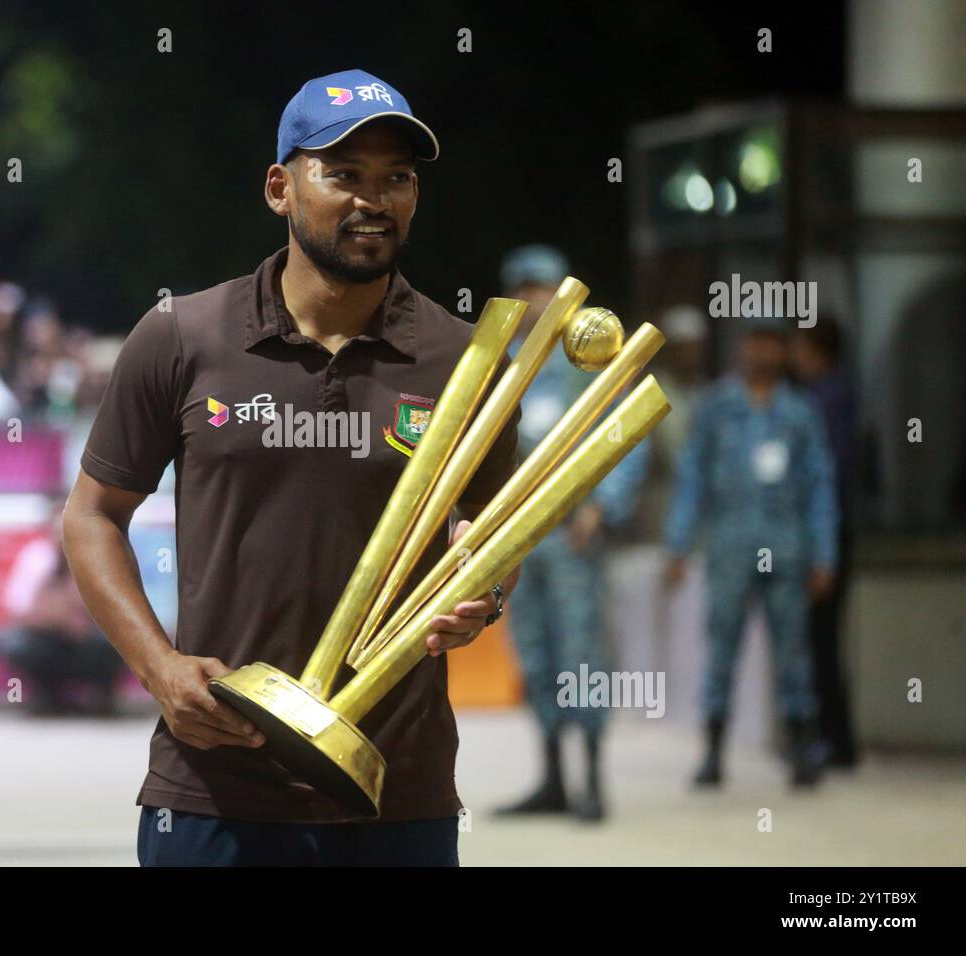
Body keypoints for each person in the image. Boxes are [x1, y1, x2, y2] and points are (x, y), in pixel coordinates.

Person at [62, 69, 521, 866]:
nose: (372, 199)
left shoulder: (468, 360)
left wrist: (482, 594)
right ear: (280, 187)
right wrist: (159, 668)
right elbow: (93, 517)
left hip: (395, 788)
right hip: (216, 783)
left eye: (397, 178)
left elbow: (493, 540)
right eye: (342, 174)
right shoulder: (181, 337)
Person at [493, 246, 649, 822]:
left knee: (582, 657)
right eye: (525, 287)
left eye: (544, 286)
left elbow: (629, 431)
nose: (535, 298)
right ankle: (552, 778)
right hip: (520, 539)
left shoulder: (590, 359)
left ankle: (593, 780)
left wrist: (603, 507)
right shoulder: (505, 364)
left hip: (576, 533)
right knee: (534, 652)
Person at [664, 314, 838, 788]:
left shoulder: (799, 412)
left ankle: (802, 747)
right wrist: (678, 544)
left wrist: (825, 553)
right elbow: (693, 479)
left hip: (786, 547)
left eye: (771, 344)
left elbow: (819, 485)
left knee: (793, 650)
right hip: (730, 545)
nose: (762, 353)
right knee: (721, 646)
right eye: (754, 343)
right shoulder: (716, 407)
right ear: (742, 348)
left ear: (782, 352)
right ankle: (713, 751)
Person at [790, 316, 859, 767]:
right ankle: (832, 738)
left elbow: (825, 479)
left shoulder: (823, 399)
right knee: (819, 640)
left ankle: (834, 741)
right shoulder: (829, 394)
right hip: (827, 530)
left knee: (820, 641)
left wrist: (823, 554)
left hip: (827, 532)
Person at [0, 502, 124, 716]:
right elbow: (17, 610)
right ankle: (47, 697)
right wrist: (58, 620)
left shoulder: (99, 555)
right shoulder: (36, 557)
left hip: (90, 640)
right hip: (48, 640)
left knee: (120, 639)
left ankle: (102, 698)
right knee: (15, 642)